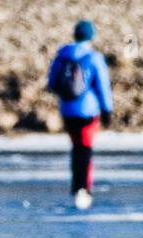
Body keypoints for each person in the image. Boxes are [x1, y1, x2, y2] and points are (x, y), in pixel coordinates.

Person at [47, 20, 113, 210]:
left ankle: (76, 186)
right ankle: (83, 189)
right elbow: (102, 86)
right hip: (89, 111)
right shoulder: (94, 57)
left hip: (67, 110)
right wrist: (107, 109)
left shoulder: (62, 56)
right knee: (85, 150)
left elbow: (52, 84)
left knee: (76, 148)